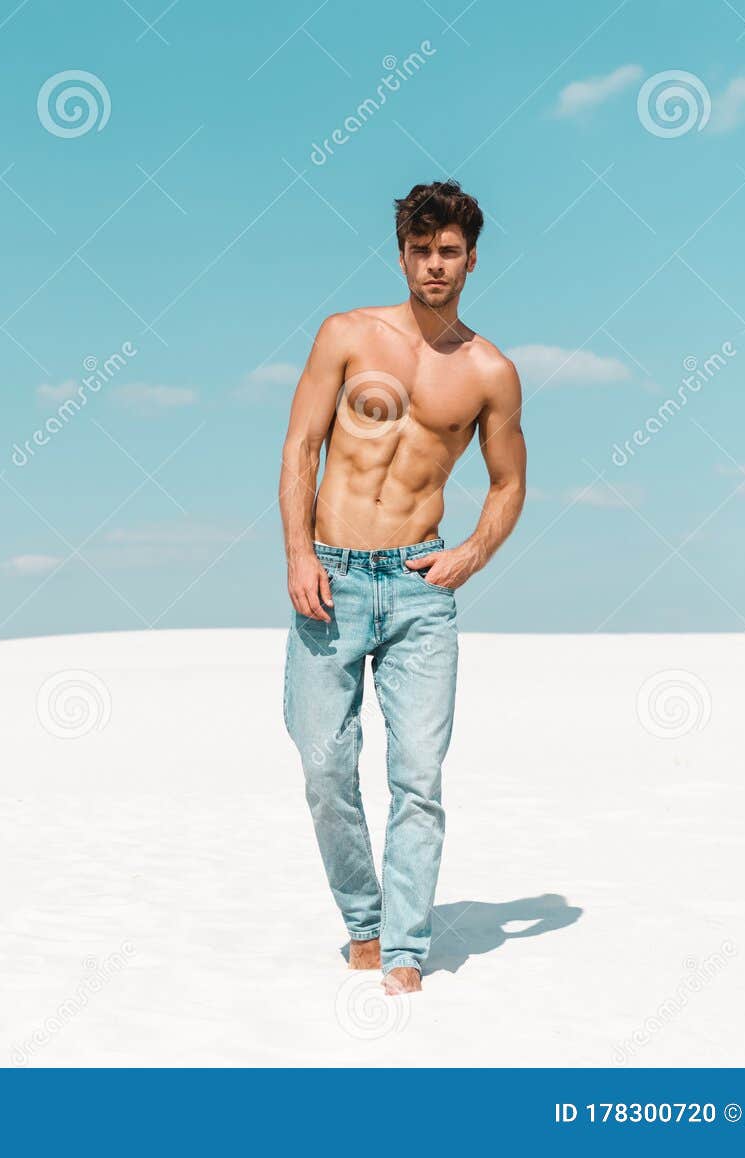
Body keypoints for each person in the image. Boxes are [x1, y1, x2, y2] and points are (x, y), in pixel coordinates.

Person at [278, 180, 527, 995]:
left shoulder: (490, 371)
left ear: (472, 259)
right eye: (421, 251)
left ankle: (406, 950)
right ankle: (363, 919)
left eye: (448, 252)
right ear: (402, 255)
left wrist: (473, 554)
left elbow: (509, 483)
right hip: (335, 575)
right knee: (325, 770)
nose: (433, 266)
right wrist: (298, 556)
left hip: (421, 591)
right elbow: (300, 445)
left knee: (419, 775)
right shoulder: (347, 335)